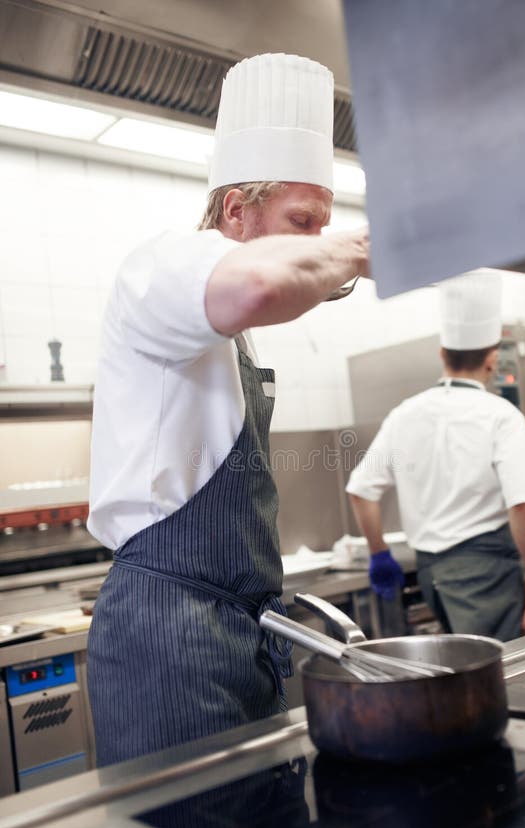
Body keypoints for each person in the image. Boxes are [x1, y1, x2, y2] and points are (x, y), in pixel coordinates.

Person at [86, 52, 370, 766]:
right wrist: (362, 247)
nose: (314, 244)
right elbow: (257, 287)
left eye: (322, 225)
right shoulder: (164, 268)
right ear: (236, 210)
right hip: (168, 635)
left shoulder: (223, 333)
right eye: (300, 221)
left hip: (240, 631)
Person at [346, 269, 525, 642]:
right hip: (485, 574)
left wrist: (379, 555)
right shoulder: (501, 415)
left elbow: (361, 491)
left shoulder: (404, 413)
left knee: (463, 673)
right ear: (492, 359)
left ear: (442, 354)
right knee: (502, 676)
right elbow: (524, 507)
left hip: (432, 576)